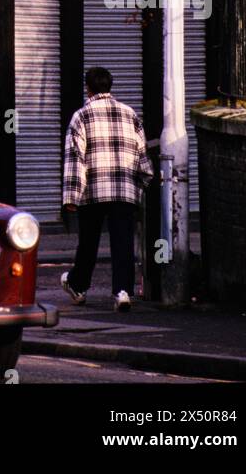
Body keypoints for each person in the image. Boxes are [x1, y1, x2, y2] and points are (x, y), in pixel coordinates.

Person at [61, 65, 153, 312]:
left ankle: (78, 286)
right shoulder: (129, 114)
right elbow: (142, 154)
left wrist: (71, 196)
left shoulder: (81, 116)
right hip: (124, 189)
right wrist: (142, 183)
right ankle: (122, 292)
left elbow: (75, 158)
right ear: (109, 87)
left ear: (87, 88)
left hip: (93, 190)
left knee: (88, 242)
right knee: (122, 240)